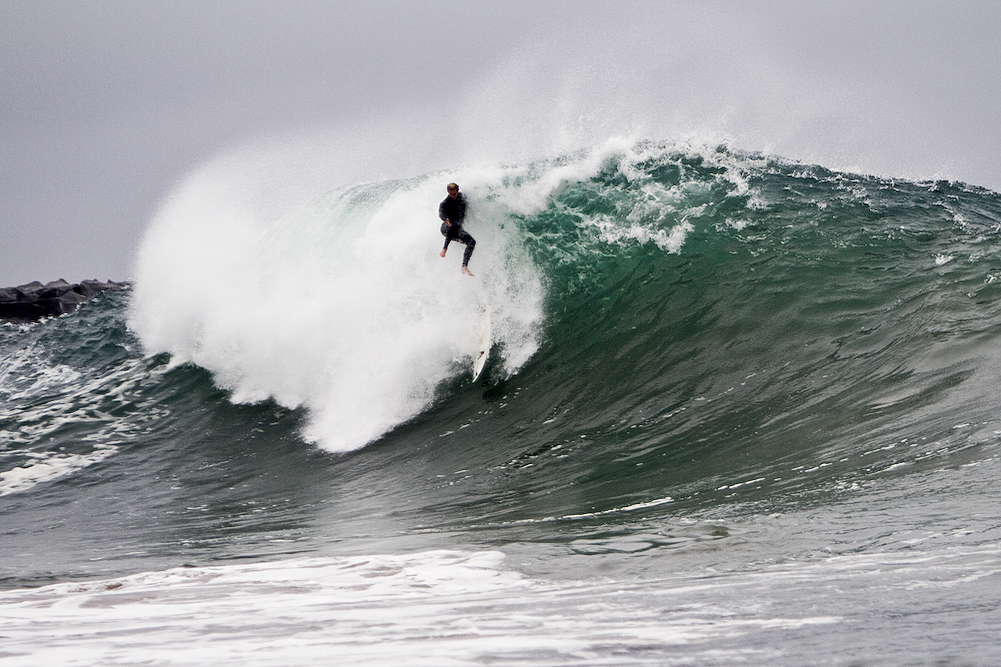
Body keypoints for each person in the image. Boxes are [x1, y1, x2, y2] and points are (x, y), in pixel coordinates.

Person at [438, 182, 475, 276]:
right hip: (446, 228)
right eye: (450, 194)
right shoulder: (445, 203)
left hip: (457, 227)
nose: (452, 196)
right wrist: (445, 219)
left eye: (454, 194)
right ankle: (444, 248)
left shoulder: (462, 197)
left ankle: (464, 266)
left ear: (457, 191)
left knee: (471, 242)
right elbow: (441, 214)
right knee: (453, 226)